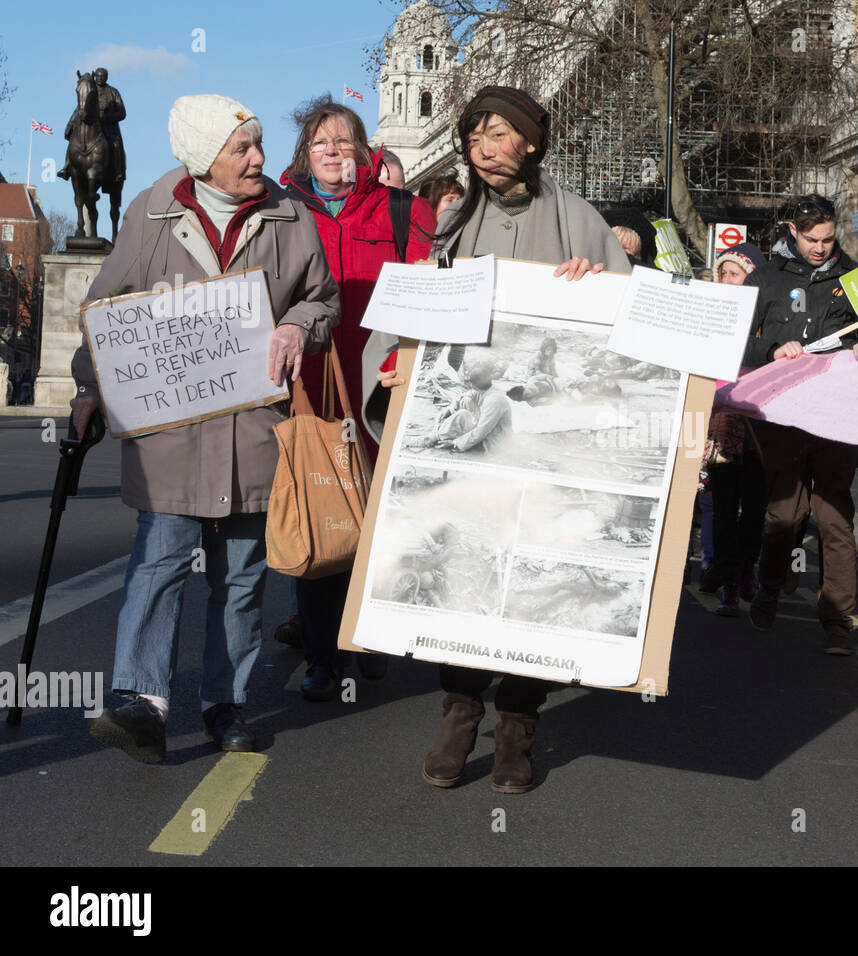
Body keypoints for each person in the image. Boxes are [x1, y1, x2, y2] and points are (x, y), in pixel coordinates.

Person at [71, 94, 340, 762]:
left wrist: (295, 325)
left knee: (242, 578)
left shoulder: (289, 215)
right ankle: (142, 702)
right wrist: (87, 388)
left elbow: (323, 299)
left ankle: (227, 703)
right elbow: (104, 310)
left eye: (257, 143)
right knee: (158, 565)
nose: (259, 158)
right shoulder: (151, 214)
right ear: (202, 158)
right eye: (241, 148)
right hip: (171, 436)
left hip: (253, 429)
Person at [377, 85, 629, 794]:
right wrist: (404, 363)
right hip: (471, 442)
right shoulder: (453, 225)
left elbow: (627, 325)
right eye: (476, 136)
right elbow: (420, 333)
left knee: (539, 576)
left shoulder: (579, 219)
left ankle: (518, 724)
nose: (486, 149)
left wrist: (598, 283)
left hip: (551, 445)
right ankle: (459, 713)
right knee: (464, 566)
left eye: (500, 135)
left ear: (531, 142)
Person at [278, 94, 436, 701]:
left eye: (343, 140)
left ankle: (370, 638)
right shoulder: (283, 212)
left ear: (363, 149)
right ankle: (323, 656)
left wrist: (404, 363)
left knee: (383, 523)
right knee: (324, 520)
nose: (333, 151)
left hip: (382, 391)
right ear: (306, 154)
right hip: (312, 390)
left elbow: (434, 292)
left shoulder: (405, 211)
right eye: (321, 143)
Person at [742, 195, 858, 654]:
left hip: (836, 413)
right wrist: (772, 349)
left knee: (834, 518)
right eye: (812, 239)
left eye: (829, 239)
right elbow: (735, 342)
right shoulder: (765, 279)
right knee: (786, 513)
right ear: (792, 230)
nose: (820, 248)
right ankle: (770, 587)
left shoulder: (854, 278)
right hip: (783, 413)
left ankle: (837, 620)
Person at [706, 242, 767, 615]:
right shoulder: (713, 316)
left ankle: (747, 568)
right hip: (723, 429)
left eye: (735, 274)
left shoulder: (766, 319)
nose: (727, 280)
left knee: (757, 510)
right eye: (723, 274)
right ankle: (729, 583)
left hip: (760, 430)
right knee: (724, 510)